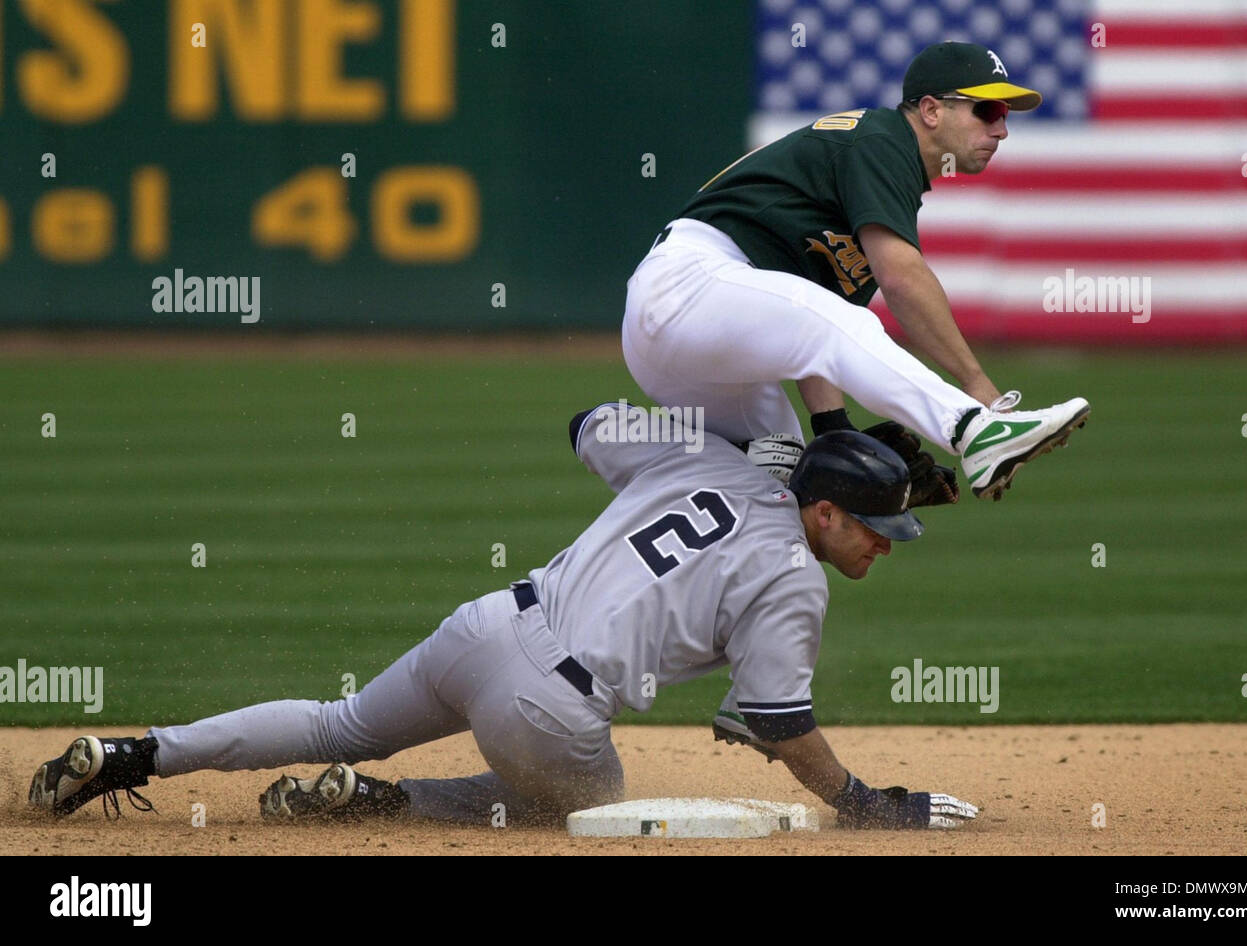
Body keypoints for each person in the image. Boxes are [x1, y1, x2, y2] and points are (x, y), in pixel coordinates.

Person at [29, 402, 976, 830]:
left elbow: (589, 426)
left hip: (485, 627)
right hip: (549, 710)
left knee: (339, 722)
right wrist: (859, 803)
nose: (887, 543)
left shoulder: (715, 463)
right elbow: (774, 721)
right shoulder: (796, 579)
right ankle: (380, 802)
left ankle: (132, 751)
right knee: (585, 817)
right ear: (822, 511)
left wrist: (731, 439)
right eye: (877, 526)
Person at [622, 41, 1089, 501]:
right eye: (986, 111)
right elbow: (900, 278)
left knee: (789, 482)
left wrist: (834, 432)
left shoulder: (879, 172)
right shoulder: (881, 140)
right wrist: (978, 390)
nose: (1001, 129)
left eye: (1005, 115)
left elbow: (814, 337)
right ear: (930, 110)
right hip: (687, 284)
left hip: (685, 348)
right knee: (845, 324)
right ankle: (974, 430)